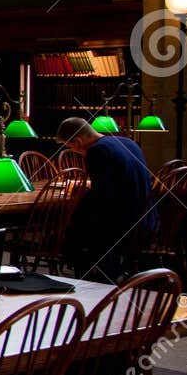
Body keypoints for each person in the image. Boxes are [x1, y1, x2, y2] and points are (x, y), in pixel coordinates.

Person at [57, 116, 155, 282]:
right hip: (147, 218)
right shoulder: (127, 142)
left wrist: (79, 205)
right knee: (80, 222)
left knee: (77, 226)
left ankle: (96, 280)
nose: (74, 151)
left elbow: (102, 195)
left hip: (125, 223)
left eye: (71, 147)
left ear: (78, 141)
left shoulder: (97, 151)